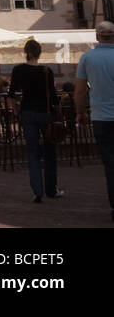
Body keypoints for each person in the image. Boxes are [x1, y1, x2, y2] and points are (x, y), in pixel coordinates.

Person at [9, 39, 61, 203]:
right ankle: (51, 190)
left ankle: (37, 190)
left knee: (32, 152)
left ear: (25, 52)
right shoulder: (47, 71)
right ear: (40, 53)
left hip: (27, 113)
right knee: (50, 152)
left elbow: (12, 94)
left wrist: (16, 110)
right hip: (45, 114)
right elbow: (53, 96)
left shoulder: (18, 70)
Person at [75, 20, 114, 222]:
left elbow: (80, 90)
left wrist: (80, 112)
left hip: (101, 118)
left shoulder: (88, 58)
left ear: (97, 37)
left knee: (110, 165)